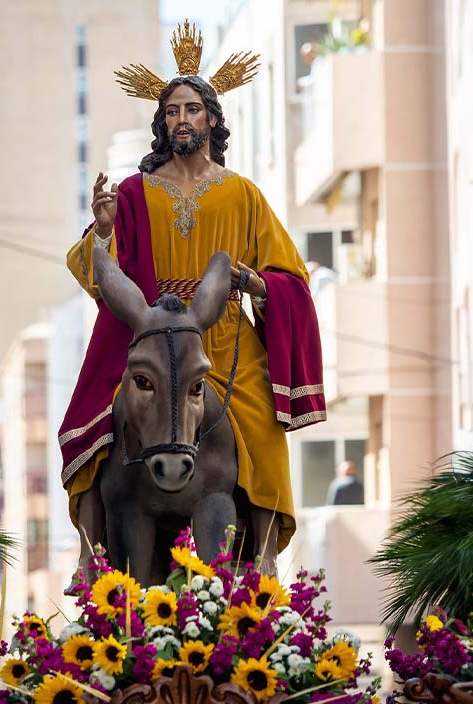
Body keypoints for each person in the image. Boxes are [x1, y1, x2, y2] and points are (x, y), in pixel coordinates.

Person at [58, 22, 326, 584]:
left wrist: (254, 282)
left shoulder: (242, 193)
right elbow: (94, 270)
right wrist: (103, 230)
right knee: (100, 418)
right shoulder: (134, 192)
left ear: (211, 119)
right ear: (162, 123)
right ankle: (90, 552)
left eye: (193, 110)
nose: (182, 119)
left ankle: (262, 556)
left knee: (260, 423)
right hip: (153, 333)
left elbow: (292, 278)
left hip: (223, 335)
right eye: (172, 111)